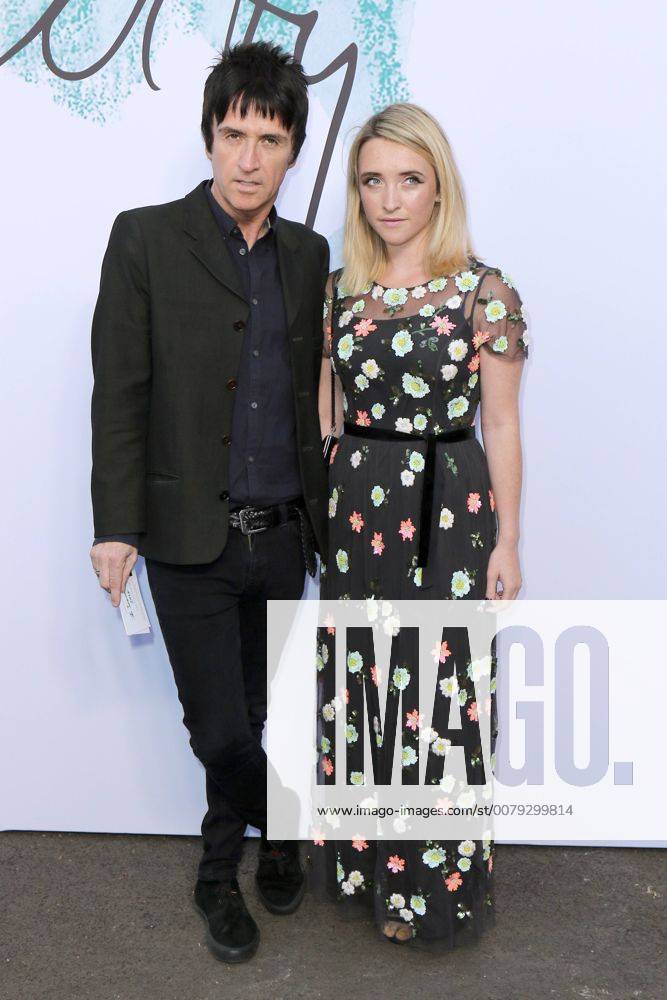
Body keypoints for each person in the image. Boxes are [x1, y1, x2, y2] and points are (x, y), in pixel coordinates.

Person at [89, 41, 330, 964]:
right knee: (219, 727)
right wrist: (116, 528)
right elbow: (121, 393)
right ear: (209, 137)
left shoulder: (308, 255)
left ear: (293, 150)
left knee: (259, 716)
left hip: (282, 535)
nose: (248, 158)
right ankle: (289, 823)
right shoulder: (145, 237)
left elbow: (310, 393)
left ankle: (219, 869)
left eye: (269, 140)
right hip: (189, 537)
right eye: (233, 134)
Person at [313, 102, 529, 949]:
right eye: (372, 180)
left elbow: (500, 423)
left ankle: (426, 889)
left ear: (438, 187)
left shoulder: (484, 292)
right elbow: (328, 410)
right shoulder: (339, 291)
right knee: (361, 690)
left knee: (439, 699)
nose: (389, 199)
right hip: (356, 512)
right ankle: (365, 870)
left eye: (408, 179)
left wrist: (507, 540)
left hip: (448, 511)